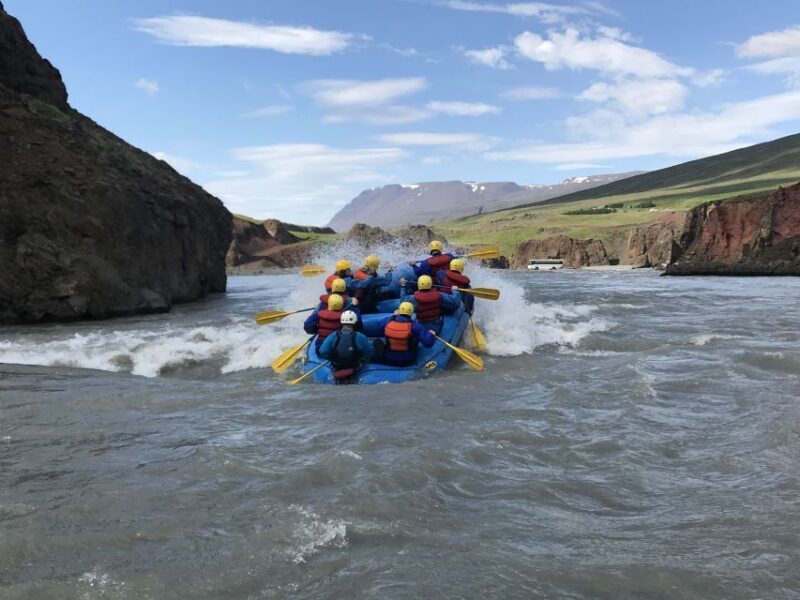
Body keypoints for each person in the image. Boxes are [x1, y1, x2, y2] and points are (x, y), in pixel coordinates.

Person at [374, 301, 436, 367]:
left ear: (399, 311)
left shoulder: (388, 322)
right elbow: (428, 343)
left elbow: (378, 328)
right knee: (415, 339)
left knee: (377, 341)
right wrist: (431, 335)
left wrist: (393, 316)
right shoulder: (415, 327)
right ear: (411, 313)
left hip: (388, 359)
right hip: (408, 360)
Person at [318, 310, 372, 384]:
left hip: (336, 367)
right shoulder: (361, 337)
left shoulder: (333, 335)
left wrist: (332, 357)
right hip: (354, 367)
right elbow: (368, 353)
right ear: (355, 322)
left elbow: (323, 351)